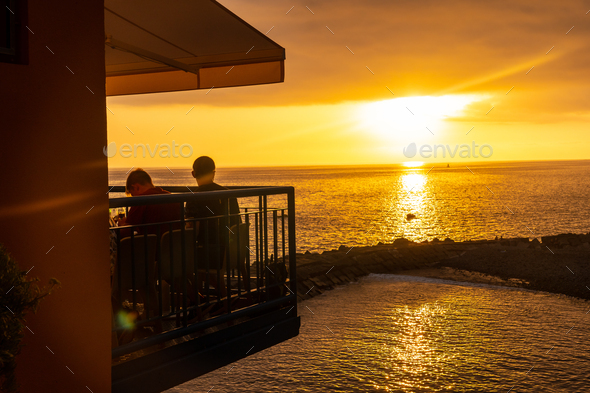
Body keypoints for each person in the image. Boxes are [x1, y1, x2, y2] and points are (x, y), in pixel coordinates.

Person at [185, 156, 242, 297]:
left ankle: (198, 302)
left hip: (212, 255)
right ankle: (215, 299)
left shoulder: (194, 198)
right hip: (234, 252)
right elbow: (238, 222)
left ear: (193, 174)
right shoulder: (228, 194)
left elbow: (192, 232)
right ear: (213, 173)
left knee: (177, 262)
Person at [117, 168, 182, 238]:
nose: (133, 198)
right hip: (174, 245)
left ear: (136, 187)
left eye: (133, 195)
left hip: (150, 247)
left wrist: (121, 225)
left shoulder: (140, 201)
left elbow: (125, 233)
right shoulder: (172, 198)